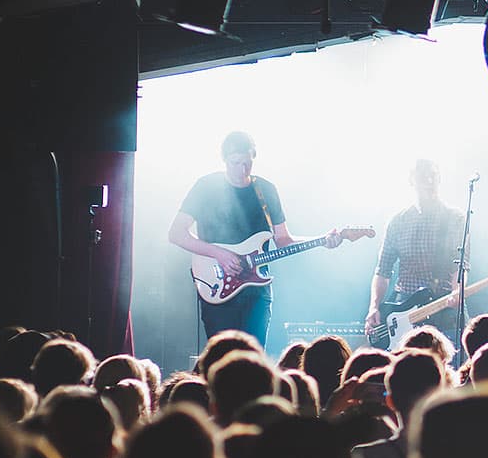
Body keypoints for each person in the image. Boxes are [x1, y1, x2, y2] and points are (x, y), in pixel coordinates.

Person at [168, 130, 342, 347]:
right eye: (235, 162)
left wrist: (322, 240)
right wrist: (219, 254)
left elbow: (283, 239)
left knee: (254, 360)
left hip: (257, 289)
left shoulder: (266, 190)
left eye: (247, 163)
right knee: (222, 361)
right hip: (218, 283)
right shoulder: (206, 187)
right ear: (224, 159)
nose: (242, 170)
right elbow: (176, 233)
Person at [365, 159, 466, 345]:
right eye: (423, 176)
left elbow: (459, 265)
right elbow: (382, 271)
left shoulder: (454, 218)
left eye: (433, 176)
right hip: (404, 309)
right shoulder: (398, 221)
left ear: (439, 179)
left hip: (442, 307)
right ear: (412, 181)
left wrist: (456, 291)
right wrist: (374, 307)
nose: (429, 181)